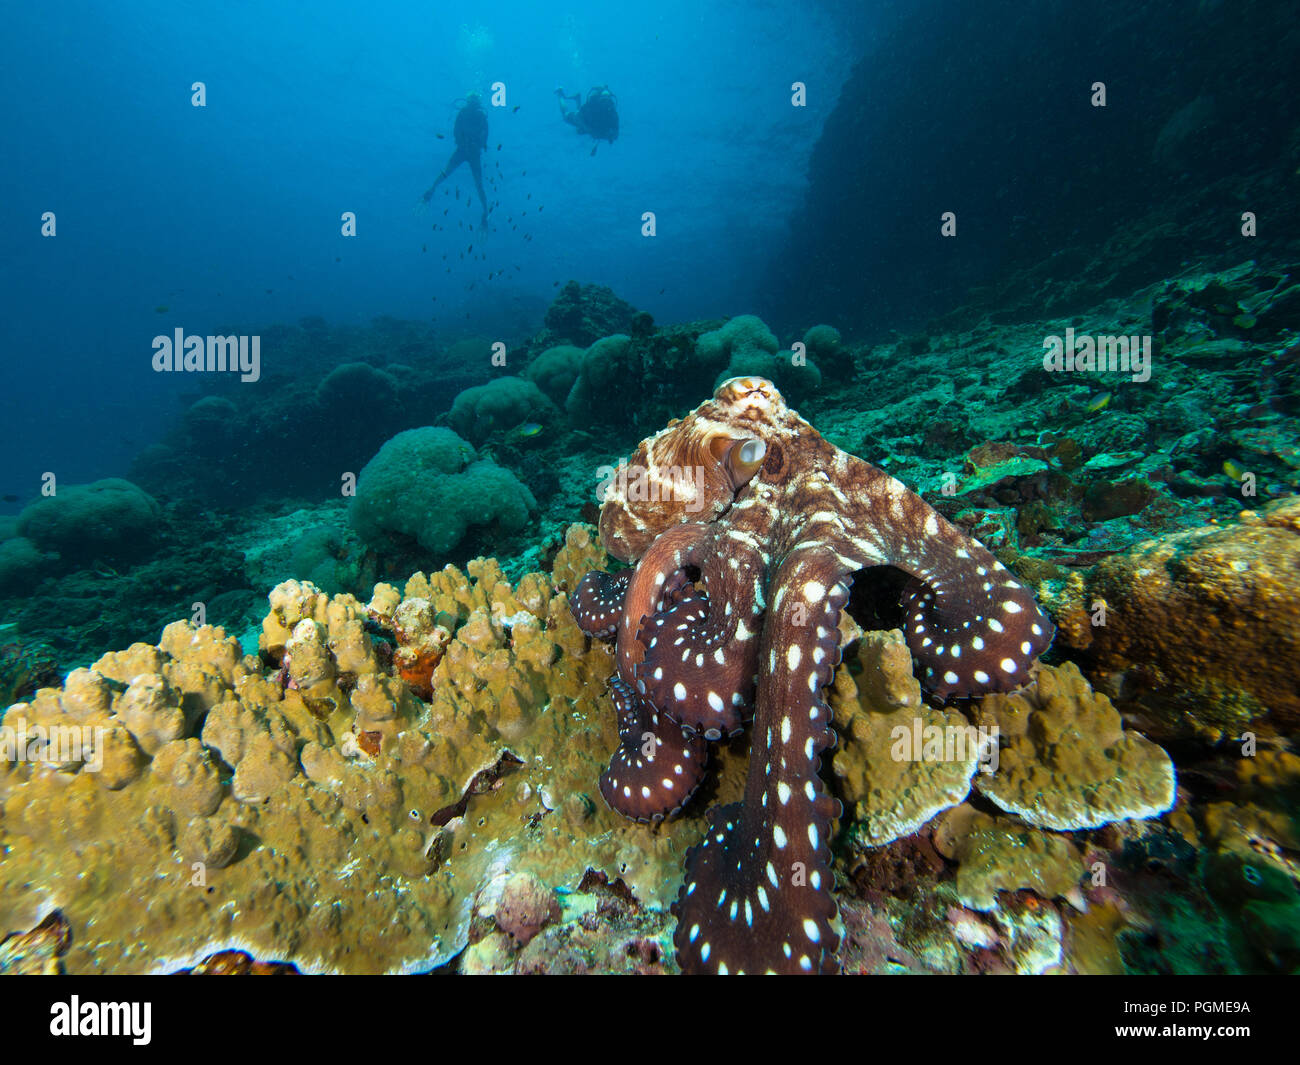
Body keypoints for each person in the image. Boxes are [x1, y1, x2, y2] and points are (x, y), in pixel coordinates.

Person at [423, 92, 489, 225]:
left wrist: (473, 144)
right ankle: (431, 190)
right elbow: (458, 132)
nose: (472, 104)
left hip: (468, 152)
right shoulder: (467, 114)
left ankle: (485, 211)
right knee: (476, 182)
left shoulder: (475, 116)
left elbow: (483, 136)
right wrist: (471, 144)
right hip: (466, 151)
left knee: (472, 181)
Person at [555, 86, 619, 154]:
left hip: (592, 126)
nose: (605, 103)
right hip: (585, 121)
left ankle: (576, 98)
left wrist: (607, 135)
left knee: (580, 129)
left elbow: (616, 134)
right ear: (599, 99)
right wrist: (588, 129)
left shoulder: (612, 112)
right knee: (566, 116)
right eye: (604, 100)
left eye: (607, 101)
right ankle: (560, 94)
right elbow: (579, 116)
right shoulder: (593, 105)